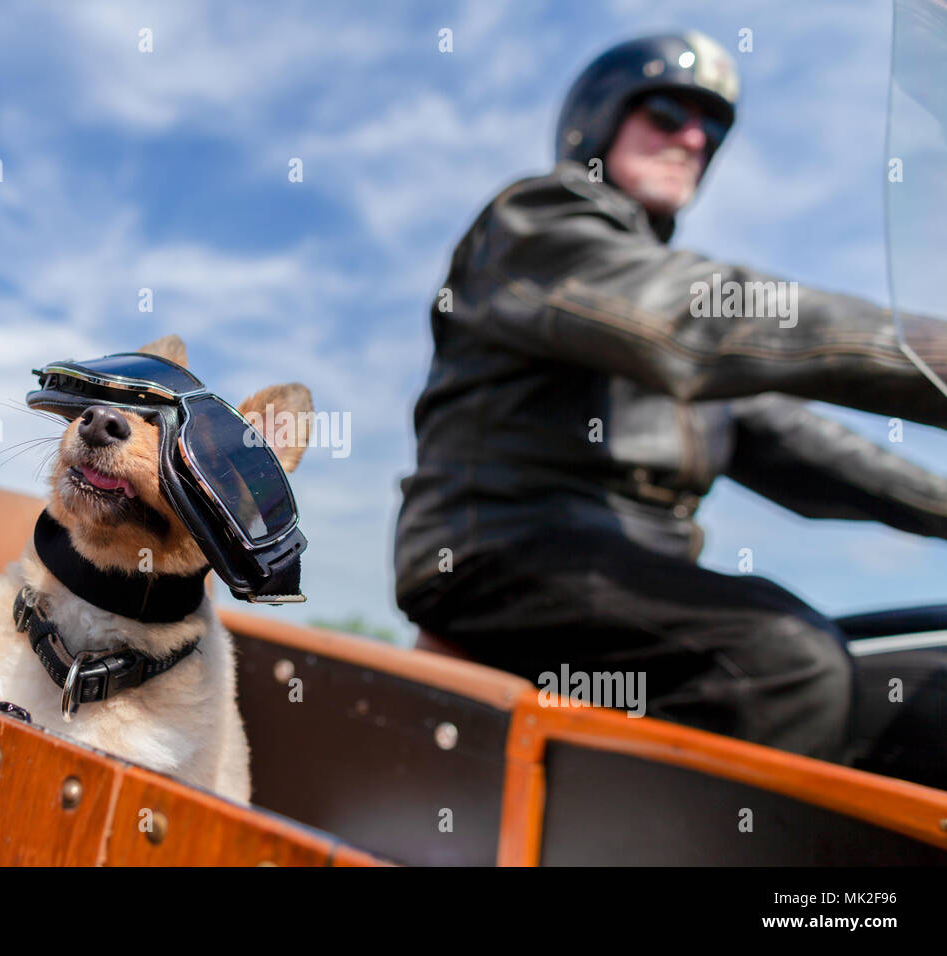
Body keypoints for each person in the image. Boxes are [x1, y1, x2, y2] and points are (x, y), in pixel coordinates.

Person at [393, 31, 947, 787]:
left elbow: (804, 442)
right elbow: (693, 323)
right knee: (780, 662)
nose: (693, 137)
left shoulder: (653, 303)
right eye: (665, 111)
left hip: (636, 577)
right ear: (598, 119)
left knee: (919, 689)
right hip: (502, 552)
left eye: (711, 128)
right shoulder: (538, 225)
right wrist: (931, 353)